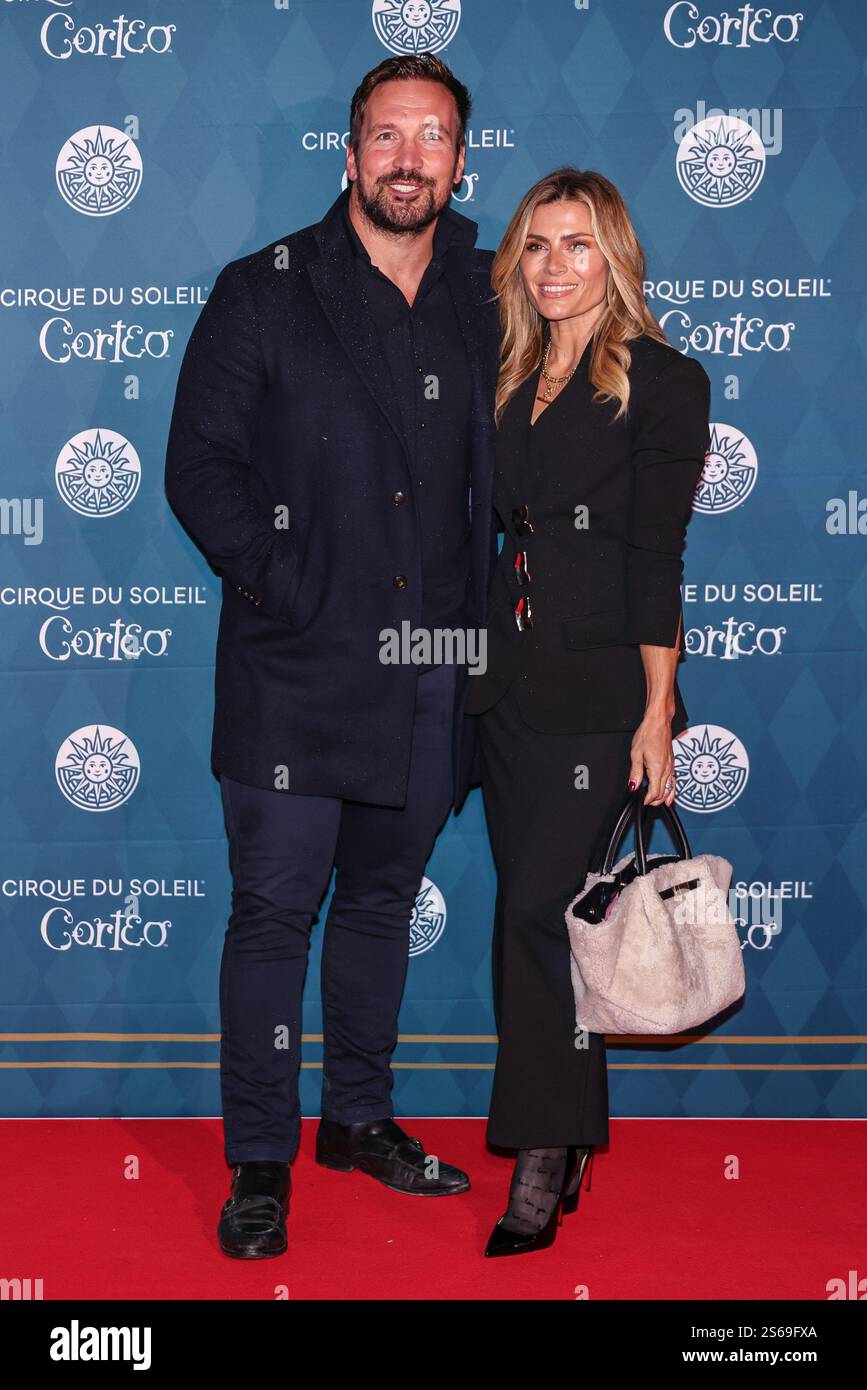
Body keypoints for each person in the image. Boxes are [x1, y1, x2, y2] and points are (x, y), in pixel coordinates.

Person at [164, 53, 500, 1259]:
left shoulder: (491, 286)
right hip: (295, 672)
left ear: (462, 159)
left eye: (435, 137)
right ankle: (261, 1161)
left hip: (435, 670)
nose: (411, 157)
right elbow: (198, 467)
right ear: (351, 154)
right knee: (272, 919)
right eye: (388, 135)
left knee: (379, 907)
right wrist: (287, 578)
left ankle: (358, 1118)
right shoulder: (264, 289)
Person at [463, 167, 711, 1257]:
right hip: (505, 684)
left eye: (577, 245)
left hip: (601, 690)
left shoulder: (662, 381)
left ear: (615, 255)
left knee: (539, 915)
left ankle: (545, 1150)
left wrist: (657, 711)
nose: (554, 266)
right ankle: (561, 1132)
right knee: (535, 916)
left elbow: (659, 554)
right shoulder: (507, 368)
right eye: (536, 246)